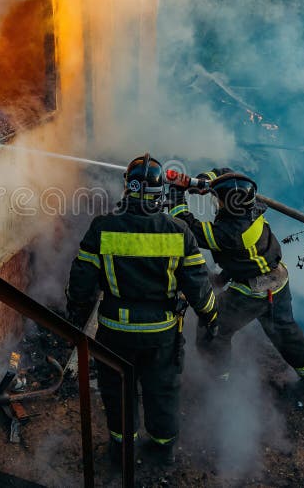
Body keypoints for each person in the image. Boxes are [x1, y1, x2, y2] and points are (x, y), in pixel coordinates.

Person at [66, 153, 219, 465]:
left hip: (114, 331)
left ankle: (121, 449)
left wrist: (76, 314)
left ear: (127, 189)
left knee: (117, 390)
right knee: (162, 390)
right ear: (160, 193)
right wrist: (211, 317)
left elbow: (81, 281)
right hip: (161, 333)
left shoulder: (102, 228)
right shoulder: (178, 231)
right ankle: (162, 448)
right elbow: (199, 288)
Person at [167, 168, 304, 393]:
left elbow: (186, 227)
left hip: (255, 290)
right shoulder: (249, 208)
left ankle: (217, 382)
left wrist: (175, 193)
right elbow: (227, 175)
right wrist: (203, 182)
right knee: (285, 331)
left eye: (218, 200)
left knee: (213, 327)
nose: (216, 203)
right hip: (276, 278)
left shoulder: (231, 232)